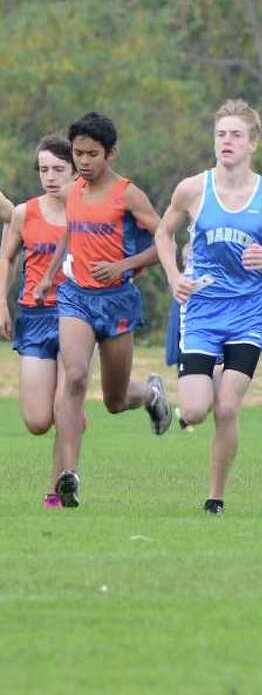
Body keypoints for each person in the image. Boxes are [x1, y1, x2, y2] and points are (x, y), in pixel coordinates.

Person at [155, 100, 262, 514]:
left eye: (236, 135)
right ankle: (170, 390)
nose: (227, 141)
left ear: (252, 143)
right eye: (221, 134)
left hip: (248, 315)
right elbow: (163, 235)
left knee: (226, 406)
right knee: (197, 410)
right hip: (201, 312)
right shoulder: (192, 189)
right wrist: (173, 277)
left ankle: (215, 497)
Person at [33, 113, 171, 508]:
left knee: (113, 400)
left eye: (92, 154)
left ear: (111, 153)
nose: (84, 161)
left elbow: (164, 241)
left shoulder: (128, 195)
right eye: (78, 153)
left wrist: (124, 266)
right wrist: (49, 275)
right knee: (73, 377)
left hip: (117, 301)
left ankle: (149, 394)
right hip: (75, 296)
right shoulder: (74, 189)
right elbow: (69, 232)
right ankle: (68, 475)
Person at [0, 136, 76, 507]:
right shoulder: (24, 213)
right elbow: (8, 258)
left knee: (64, 408)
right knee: (37, 421)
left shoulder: (88, 214)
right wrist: (1, 300)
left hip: (77, 316)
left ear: (76, 171)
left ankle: (57, 490)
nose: (50, 176)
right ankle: (74, 420)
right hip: (33, 315)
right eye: (44, 169)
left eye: (58, 169)